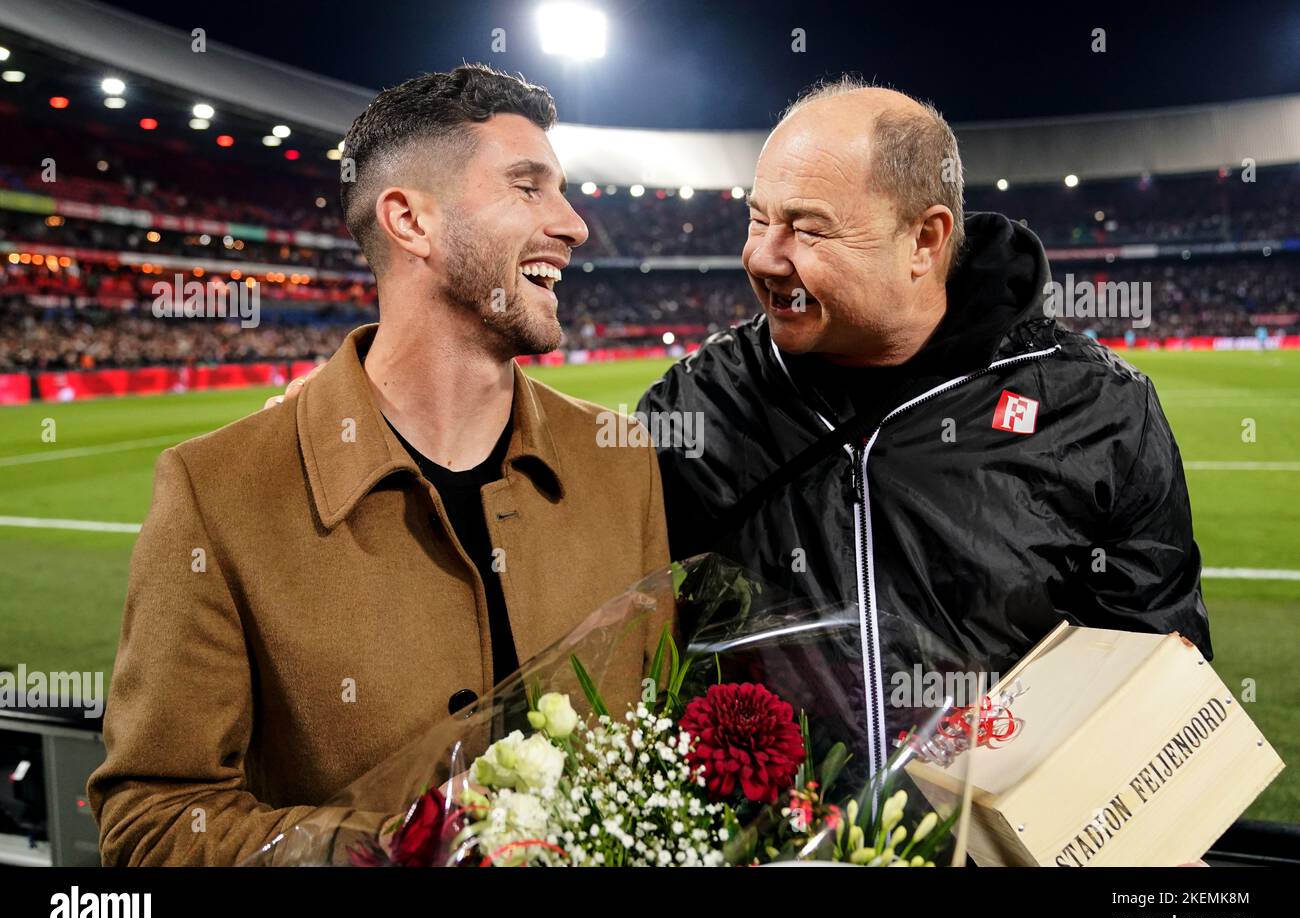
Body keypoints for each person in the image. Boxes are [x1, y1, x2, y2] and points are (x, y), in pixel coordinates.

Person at [87, 65, 669, 866]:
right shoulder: (216, 492)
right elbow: (151, 825)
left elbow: (660, 731)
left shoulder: (623, 463)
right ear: (410, 220)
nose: (574, 226)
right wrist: (396, 852)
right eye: (528, 188)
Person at [638, 80, 1211, 784]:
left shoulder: (1094, 411)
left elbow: (1154, 677)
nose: (762, 256)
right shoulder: (705, 402)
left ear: (924, 239)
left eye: (807, 228)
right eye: (757, 219)